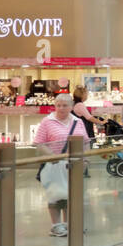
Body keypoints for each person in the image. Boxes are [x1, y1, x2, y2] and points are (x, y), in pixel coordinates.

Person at [34, 93, 82, 237]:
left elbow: (85, 141)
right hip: (53, 165)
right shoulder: (47, 121)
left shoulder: (77, 121)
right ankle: (56, 225)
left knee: (70, 195)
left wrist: (85, 159)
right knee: (55, 195)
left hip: (73, 165)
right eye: (58, 105)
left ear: (71, 107)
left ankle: (68, 224)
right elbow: (39, 143)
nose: (61, 108)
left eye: (65, 105)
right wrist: (53, 156)